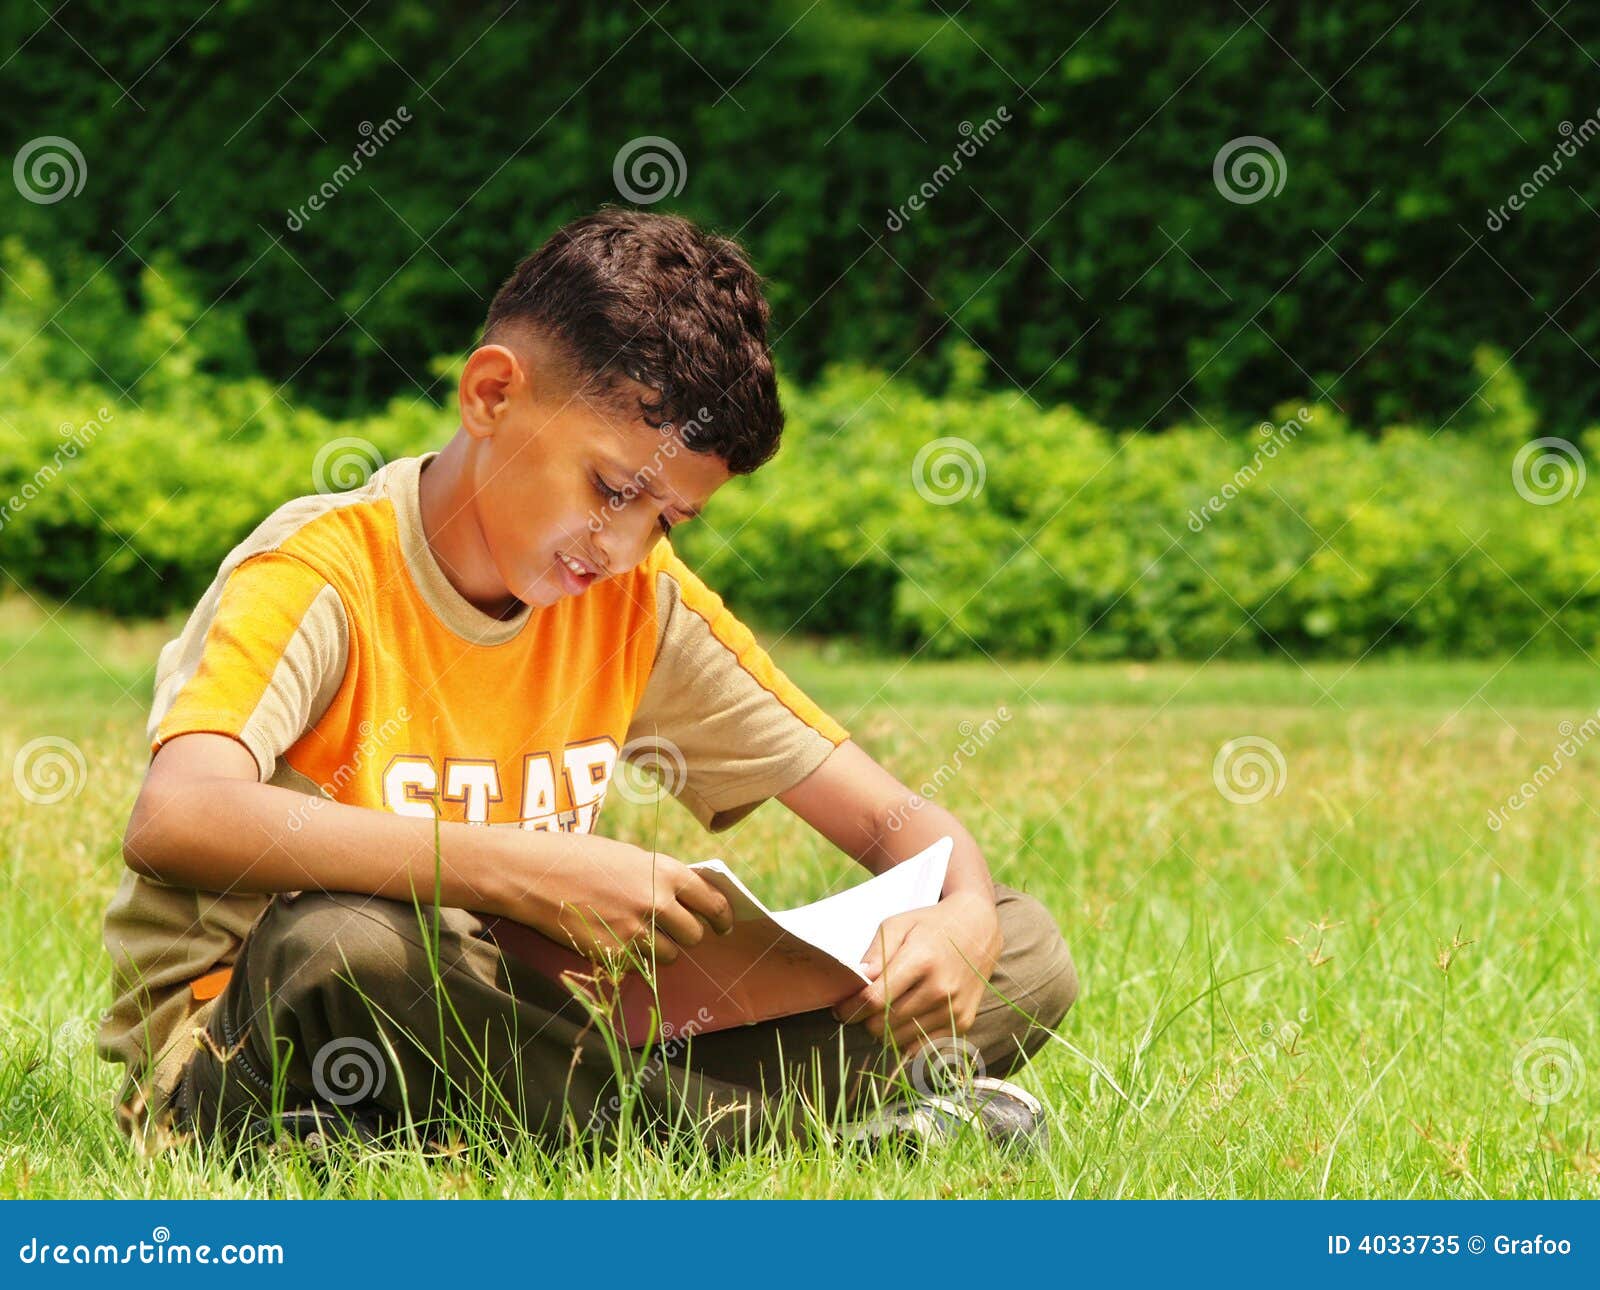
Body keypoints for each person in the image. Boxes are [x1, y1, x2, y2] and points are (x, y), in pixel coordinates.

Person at [97, 208, 1079, 1155]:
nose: (620, 545)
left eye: (666, 519)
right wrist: (526, 871)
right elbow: (178, 820)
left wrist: (956, 921)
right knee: (349, 941)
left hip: (526, 1032)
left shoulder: (634, 601)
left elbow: (896, 827)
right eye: (611, 490)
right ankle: (752, 1136)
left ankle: (493, 1135)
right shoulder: (321, 571)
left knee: (1019, 948)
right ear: (490, 395)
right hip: (264, 1042)